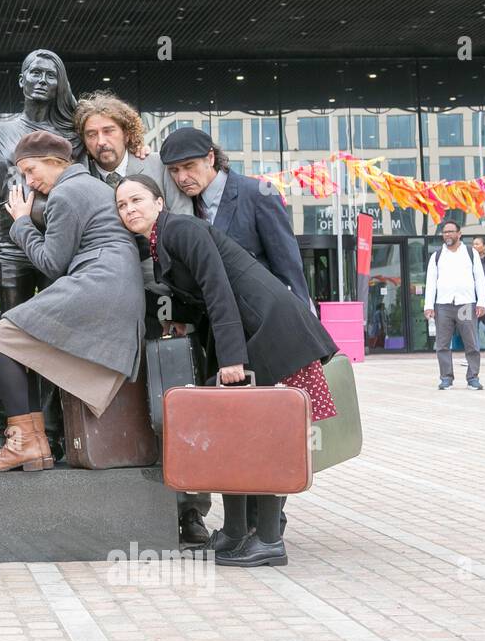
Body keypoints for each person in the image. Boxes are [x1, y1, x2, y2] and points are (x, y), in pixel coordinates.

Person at [115, 174, 338, 568]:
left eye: (137, 200)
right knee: (235, 435)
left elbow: (217, 287)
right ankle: (236, 531)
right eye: (122, 205)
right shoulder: (160, 241)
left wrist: (232, 358)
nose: (129, 209)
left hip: (272, 333)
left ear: (159, 203)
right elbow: (201, 297)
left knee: (266, 438)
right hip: (250, 335)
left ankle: (268, 539)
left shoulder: (181, 229)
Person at [75, 93, 212, 544]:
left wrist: (181, 310)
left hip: (165, 303)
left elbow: (186, 233)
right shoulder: (84, 179)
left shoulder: (154, 169)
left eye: (108, 131)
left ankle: (190, 508)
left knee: (176, 401)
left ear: (127, 131)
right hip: (112, 305)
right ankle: (132, 504)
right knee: (125, 405)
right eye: (91, 134)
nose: (100, 141)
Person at [0, 131, 145, 473]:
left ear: (55, 162)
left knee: (0, 338)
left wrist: (21, 222)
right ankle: (31, 443)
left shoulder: (66, 193)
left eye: (31, 170)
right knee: (15, 343)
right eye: (23, 174)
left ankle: (27, 444)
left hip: (99, 283)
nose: (29, 181)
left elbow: (52, 262)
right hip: (114, 285)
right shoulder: (92, 185)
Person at [0, 50, 81, 460]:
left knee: (52, 338)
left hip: (57, 245)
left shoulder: (71, 133)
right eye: (34, 72)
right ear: (21, 79)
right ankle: (10, 428)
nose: (42, 79)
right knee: (10, 338)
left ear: (59, 83)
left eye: (51, 74)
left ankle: (51, 429)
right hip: (10, 245)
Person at [160, 127, 310, 308]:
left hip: (262, 317)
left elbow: (288, 266)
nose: (182, 177)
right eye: (174, 170)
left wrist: (300, 319)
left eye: (189, 166)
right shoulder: (183, 204)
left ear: (210, 158)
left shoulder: (259, 193)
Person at [425, 222, 485, 390]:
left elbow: (479, 279)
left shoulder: (470, 253)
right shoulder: (437, 256)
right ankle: (446, 378)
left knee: (471, 342)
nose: (447, 235)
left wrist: (481, 302)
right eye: (445, 232)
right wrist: (428, 305)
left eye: (451, 232)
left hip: (465, 304)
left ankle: (473, 378)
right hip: (443, 306)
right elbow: (431, 282)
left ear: (459, 234)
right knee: (443, 344)